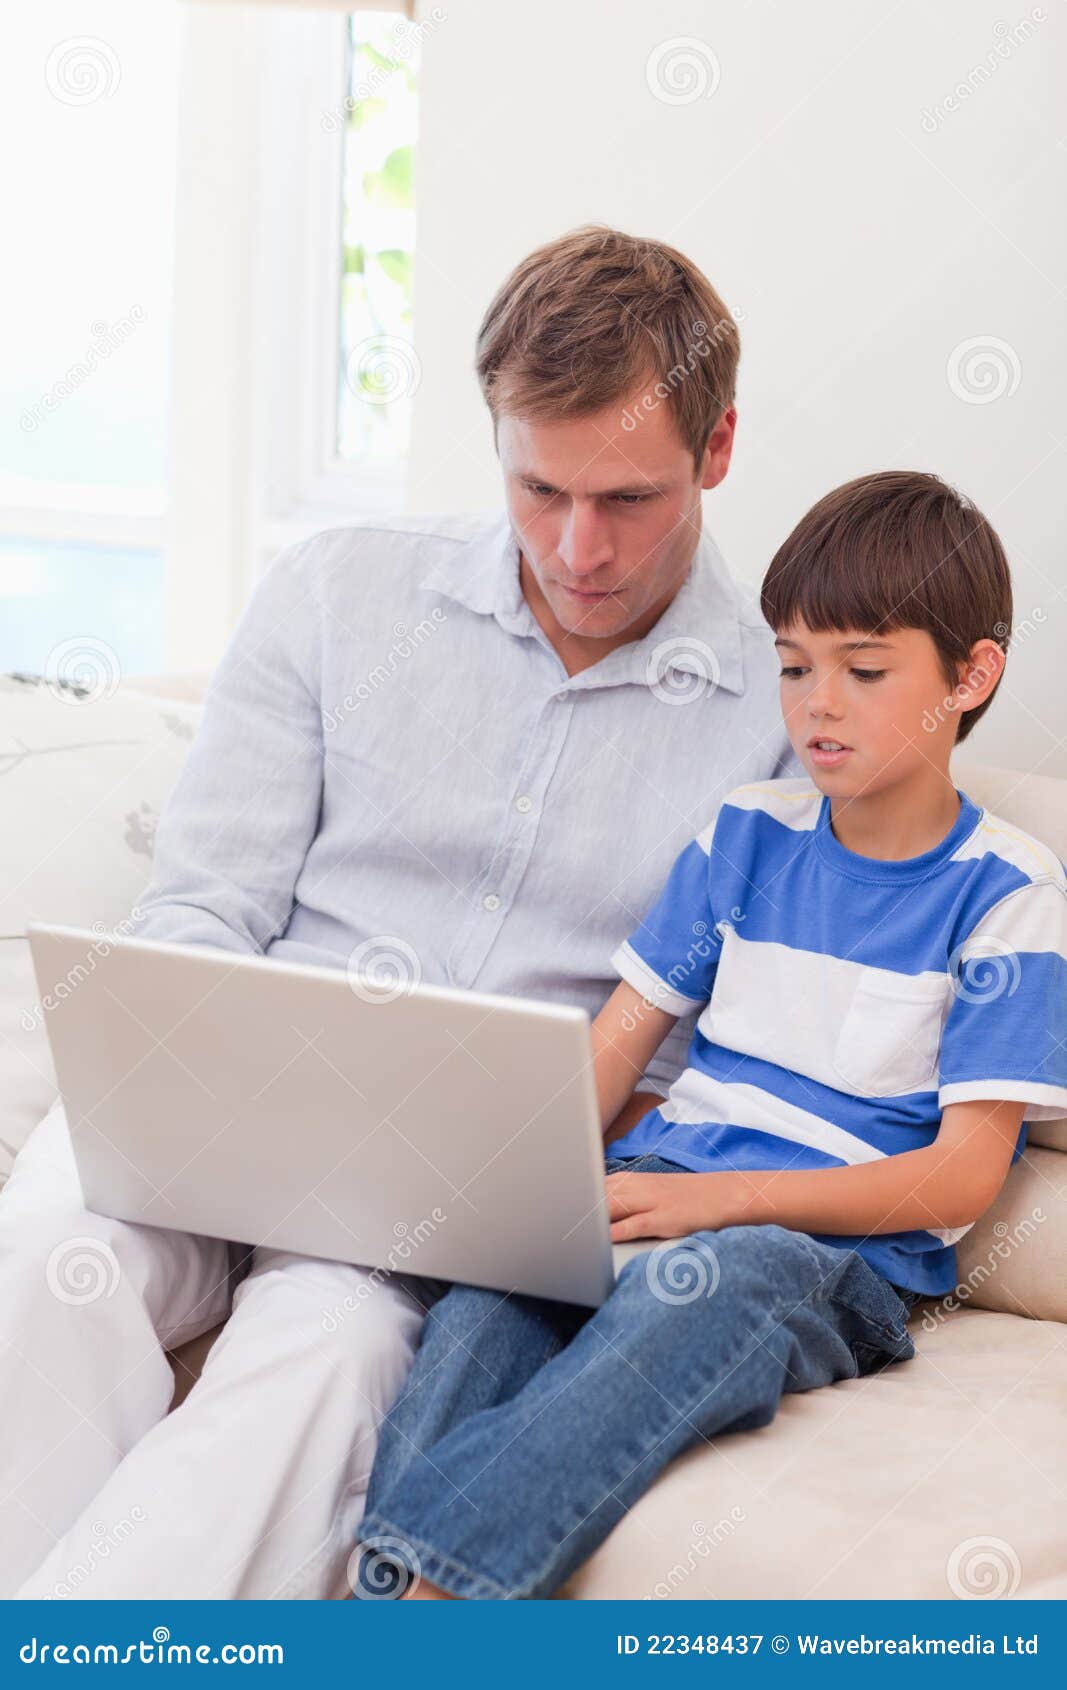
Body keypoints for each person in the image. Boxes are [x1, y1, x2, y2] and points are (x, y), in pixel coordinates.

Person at [0, 228, 797, 1599]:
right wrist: (186, 1070)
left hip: (440, 1210)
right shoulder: (335, 592)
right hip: (210, 1099)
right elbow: (205, 902)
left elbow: (707, 1050)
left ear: (715, 450)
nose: (574, 545)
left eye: (626, 498)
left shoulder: (783, 717)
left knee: (324, 1364)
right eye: (535, 484)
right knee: (51, 1260)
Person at [354, 470, 1067, 1602]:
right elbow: (613, 1046)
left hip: (824, 1257)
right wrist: (513, 1185)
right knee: (488, 1295)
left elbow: (959, 1176)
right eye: (792, 666)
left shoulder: (1007, 895)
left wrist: (716, 1200)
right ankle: (400, 1607)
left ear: (970, 673)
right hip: (653, 1183)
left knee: (705, 1280)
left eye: (863, 671)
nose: (815, 705)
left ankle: (416, 1596)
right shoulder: (747, 831)